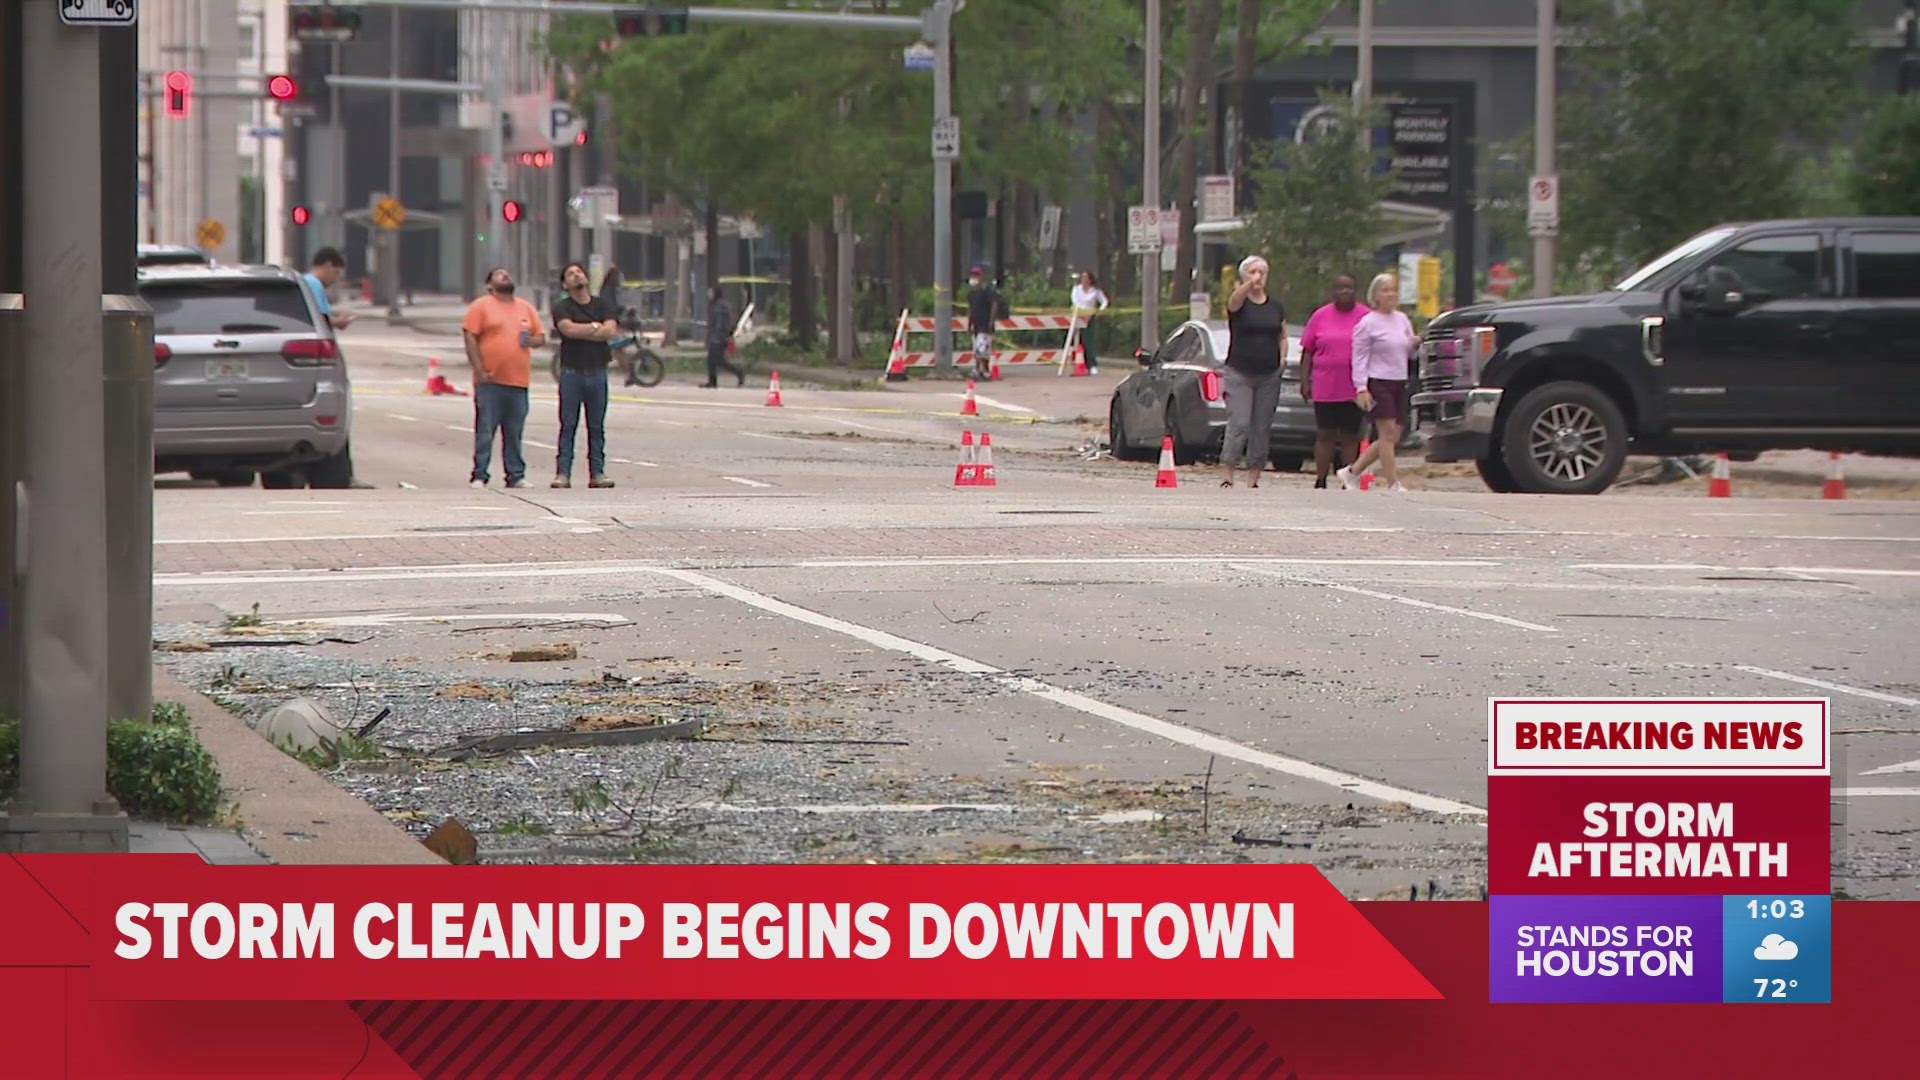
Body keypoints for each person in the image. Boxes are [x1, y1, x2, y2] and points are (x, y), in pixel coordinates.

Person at [462, 267, 544, 489]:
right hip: (490, 380)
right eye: (499, 274)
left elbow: (540, 337)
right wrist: (479, 370)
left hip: (518, 381)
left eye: (508, 274)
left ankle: (515, 475)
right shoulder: (481, 306)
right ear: (489, 285)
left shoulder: (525, 307)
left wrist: (532, 341)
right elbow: (470, 337)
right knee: (486, 431)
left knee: (515, 432)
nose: (506, 276)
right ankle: (480, 474)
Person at [1337, 273, 1418, 493]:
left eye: (1393, 289)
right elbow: (1359, 357)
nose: (1390, 294)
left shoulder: (1402, 320)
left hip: (1398, 380)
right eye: (1385, 290)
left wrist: (1415, 344)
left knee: (1394, 436)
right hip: (1378, 381)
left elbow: (1408, 350)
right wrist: (1361, 387)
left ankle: (1352, 472)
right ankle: (1393, 482)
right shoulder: (1368, 323)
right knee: (1387, 433)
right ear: (1376, 295)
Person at [550, 262, 619, 490]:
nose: (576, 275)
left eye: (579, 271)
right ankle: (563, 473)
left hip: (598, 372)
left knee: (596, 426)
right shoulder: (562, 307)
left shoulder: (603, 304)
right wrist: (594, 327)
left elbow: (610, 330)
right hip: (572, 373)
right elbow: (567, 330)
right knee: (568, 424)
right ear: (565, 284)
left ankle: (597, 472)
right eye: (570, 273)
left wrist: (585, 330)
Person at [1220, 255, 1287, 488]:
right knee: (1239, 422)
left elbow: (1282, 334)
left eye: (1262, 272)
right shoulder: (1239, 302)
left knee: (1261, 425)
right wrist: (1248, 285)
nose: (1258, 276)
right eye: (1252, 271)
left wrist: (1283, 357)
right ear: (1244, 275)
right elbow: (1233, 302)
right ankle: (1228, 472)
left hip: (1268, 373)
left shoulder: (1275, 306)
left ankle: (1253, 477)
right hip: (1240, 371)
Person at [1298, 273, 1369, 489]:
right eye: (1340, 288)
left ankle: (1348, 478)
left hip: (1353, 385)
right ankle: (1320, 479)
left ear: (1355, 290)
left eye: (1349, 288)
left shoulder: (1366, 316)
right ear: (1333, 291)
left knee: (1349, 434)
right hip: (1325, 385)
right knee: (1325, 433)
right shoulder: (1320, 316)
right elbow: (1307, 351)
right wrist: (1305, 381)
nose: (1345, 292)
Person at [302, 248, 355, 331]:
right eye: (336, 273)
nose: (335, 279)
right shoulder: (314, 283)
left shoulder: (305, 280)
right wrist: (338, 322)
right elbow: (318, 318)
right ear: (328, 265)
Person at [703, 285, 744, 388]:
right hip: (716, 336)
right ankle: (712, 382)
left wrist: (718, 336)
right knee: (711, 360)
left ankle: (739, 372)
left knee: (719, 361)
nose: (708, 295)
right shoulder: (715, 305)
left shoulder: (720, 306)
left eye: (710, 292)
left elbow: (721, 323)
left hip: (719, 337)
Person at [1070, 270, 1109, 374]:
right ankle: (1080, 364)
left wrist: (1100, 310)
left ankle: (1092, 365)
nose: (1084, 280)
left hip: (1090, 317)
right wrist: (1082, 313)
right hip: (1078, 316)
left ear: (1090, 280)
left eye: (1086, 278)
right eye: (1082, 278)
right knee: (1078, 341)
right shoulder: (1076, 289)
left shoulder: (1095, 290)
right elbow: (1075, 301)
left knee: (1089, 342)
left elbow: (1104, 301)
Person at [966, 266, 999, 377]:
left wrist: (991, 321)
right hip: (976, 324)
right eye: (972, 275)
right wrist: (969, 324)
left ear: (981, 277)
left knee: (983, 347)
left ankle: (983, 369)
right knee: (976, 347)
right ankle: (978, 369)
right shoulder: (971, 294)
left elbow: (994, 304)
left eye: (976, 275)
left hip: (985, 324)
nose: (974, 278)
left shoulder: (988, 291)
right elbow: (970, 309)